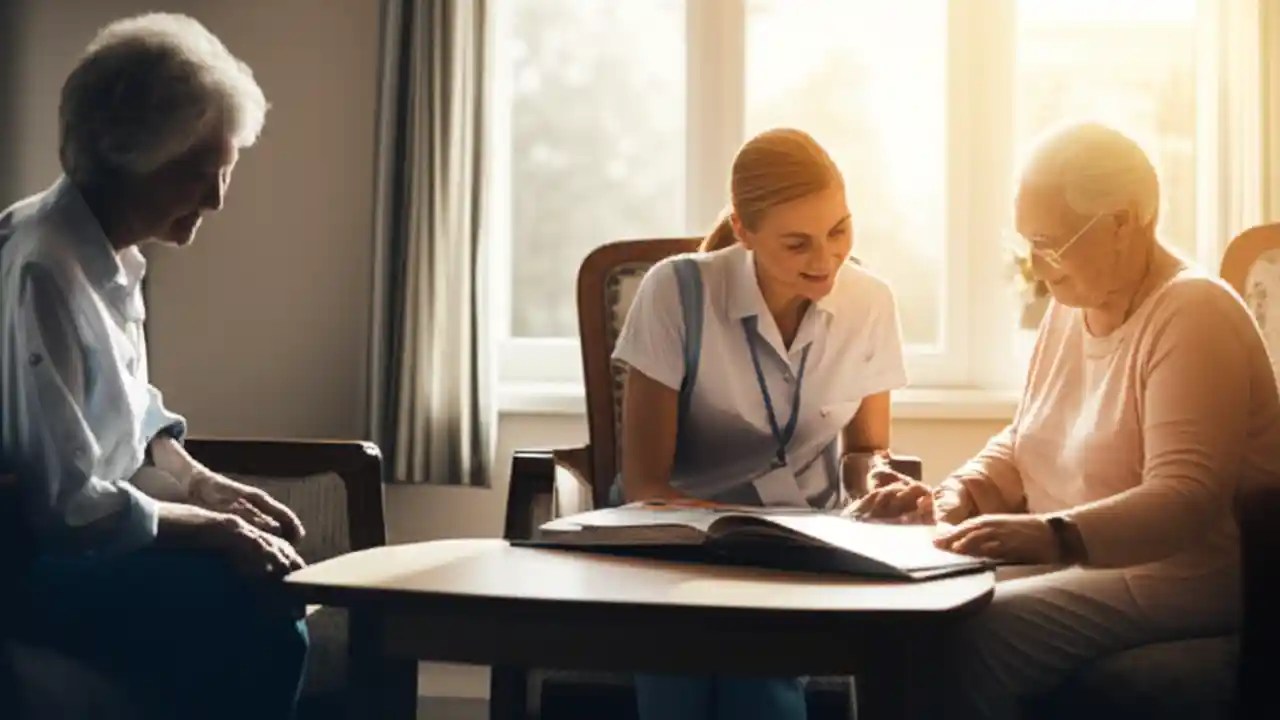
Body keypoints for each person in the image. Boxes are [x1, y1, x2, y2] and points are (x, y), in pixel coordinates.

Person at [854, 122, 1280, 719]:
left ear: (1123, 223)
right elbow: (1029, 433)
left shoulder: (1193, 312)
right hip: (1083, 562)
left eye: (1051, 243)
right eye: (1027, 241)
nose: (1036, 265)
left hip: (1182, 577)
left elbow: (1187, 497)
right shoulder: (1070, 305)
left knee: (967, 636)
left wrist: (1052, 533)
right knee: (902, 611)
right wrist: (959, 494)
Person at [0, 13, 311, 720]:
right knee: (261, 618)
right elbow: (67, 504)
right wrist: (219, 531)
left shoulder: (108, 257)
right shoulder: (42, 264)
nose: (217, 200)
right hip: (34, 564)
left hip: (89, 550)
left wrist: (205, 487)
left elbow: (129, 414)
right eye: (202, 174)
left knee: (270, 590)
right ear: (129, 154)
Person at [612, 128, 910, 720]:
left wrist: (881, 486)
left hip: (800, 540)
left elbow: (865, 453)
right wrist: (731, 541)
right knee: (685, 676)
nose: (826, 260)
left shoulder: (870, 302)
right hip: (678, 539)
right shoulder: (676, 290)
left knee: (760, 674)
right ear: (745, 232)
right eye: (797, 244)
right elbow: (645, 482)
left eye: (839, 231)